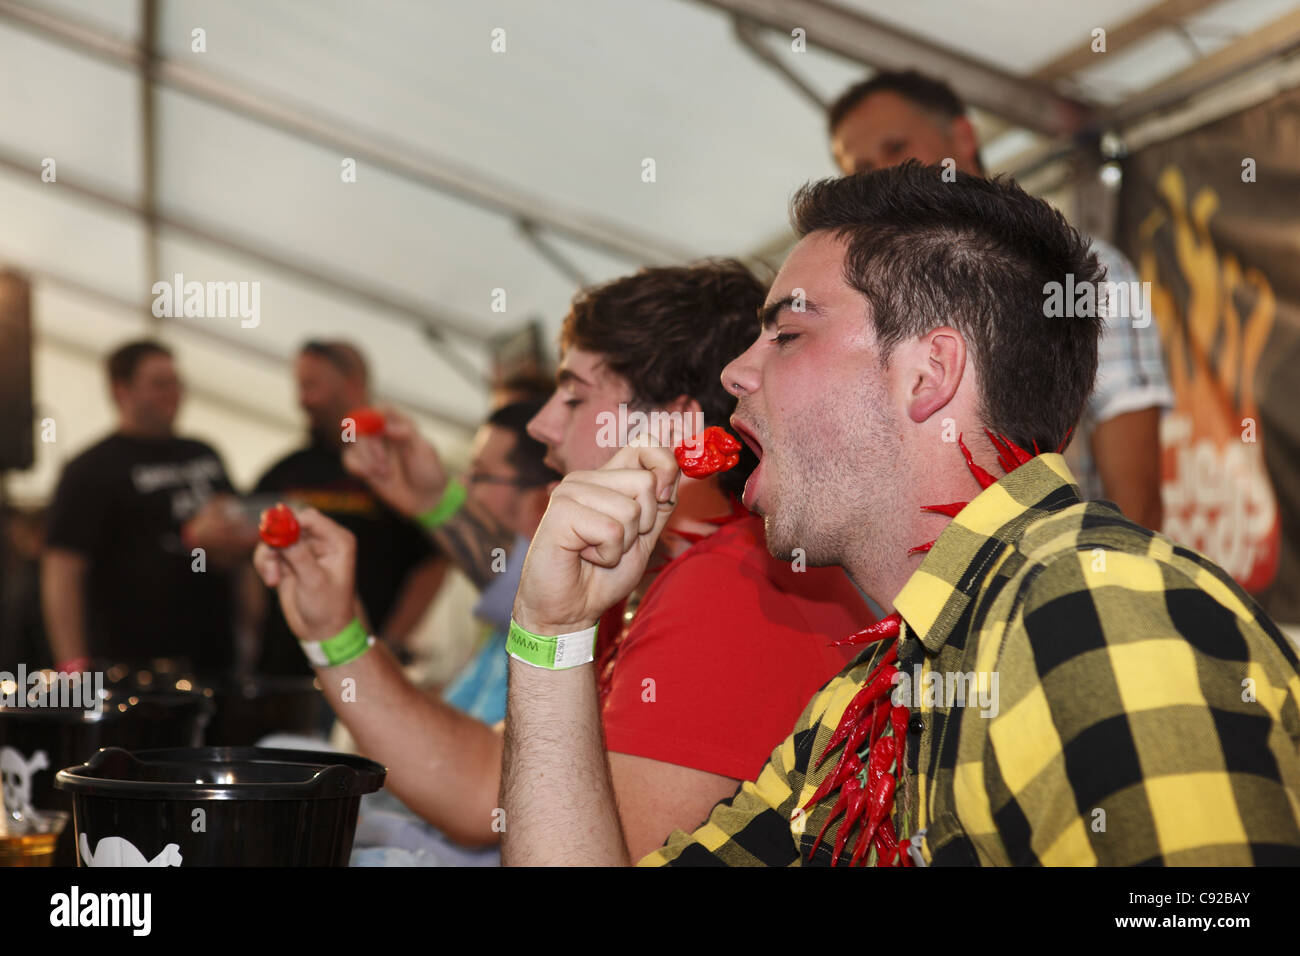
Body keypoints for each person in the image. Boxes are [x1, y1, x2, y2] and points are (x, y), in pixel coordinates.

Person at [499, 164, 1300, 866]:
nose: (737, 373)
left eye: (785, 333)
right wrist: (551, 637)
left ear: (928, 376)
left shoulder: (1096, 605)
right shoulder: (877, 692)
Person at [253, 260, 874, 860]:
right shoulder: (644, 577)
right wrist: (333, 634)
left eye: (574, 397)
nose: (543, 425)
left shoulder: (731, 589)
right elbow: (480, 792)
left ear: (677, 428)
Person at [828, 69, 1172, 531]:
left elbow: (1138, 504)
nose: (884, 175)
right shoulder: (862, 302)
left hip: (1060, 582)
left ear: (963, 136)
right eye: (861, 169)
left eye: (895, 148)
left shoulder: (1081, 275)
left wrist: (1096, 594)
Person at [41, 340, 246, 676]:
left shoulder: (204, 453)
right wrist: (72, 665)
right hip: (130, 666)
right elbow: (63, 568)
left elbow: (239, 554)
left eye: (177, 383)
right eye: (159, 384)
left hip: (212, 659)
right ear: (121, 390)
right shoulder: (91, 468)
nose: (174, 393)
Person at [250, 340, 444, 675]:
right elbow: (245, 552)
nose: (302, 400)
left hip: (363, 665)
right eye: (299, 387)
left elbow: (433, 560)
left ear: (352, 383)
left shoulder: (393, 469)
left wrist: (391, 643)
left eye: (311, 386)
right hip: (283, 668)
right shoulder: (286, 470)